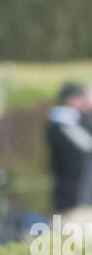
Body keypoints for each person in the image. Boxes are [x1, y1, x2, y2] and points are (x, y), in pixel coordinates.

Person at [46, 82, 92, 215]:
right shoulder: (62, 121)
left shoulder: (73, 120)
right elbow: (87, 145)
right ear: (72, 99)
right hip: (73, 198)